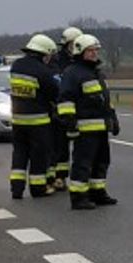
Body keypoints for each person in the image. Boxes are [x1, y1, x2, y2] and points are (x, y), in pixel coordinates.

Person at [57, 34, 119, 210]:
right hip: (84, 129)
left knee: (102, 161)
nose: (94, 53)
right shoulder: (72, 73)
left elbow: (105, 100)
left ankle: (97, 192)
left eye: (95, 50)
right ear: (80, 52)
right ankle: (78, 197)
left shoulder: (96, 73)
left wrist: (113, 118)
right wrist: (69, 121)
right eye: (90, 51)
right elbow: (66, 99)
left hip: (101, 127)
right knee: (83, 164)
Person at [8, 34, 59, 199]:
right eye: (49, 55)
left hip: (17, 120)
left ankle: (16, 189)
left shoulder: (16, 66)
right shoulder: (43, 71)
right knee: (39, 155)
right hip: (38, 121)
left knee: (19, 154)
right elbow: (54, 93)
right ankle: (38, 189)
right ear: (43, 53)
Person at [49, 26, 83, 191]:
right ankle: (59, 177)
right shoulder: (57, 61)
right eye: (72, 44)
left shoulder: (79, 60)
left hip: (79, 109)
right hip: (60, 109)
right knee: (59, 145)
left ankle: (74, 177)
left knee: (80, 147)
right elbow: (56, 82)